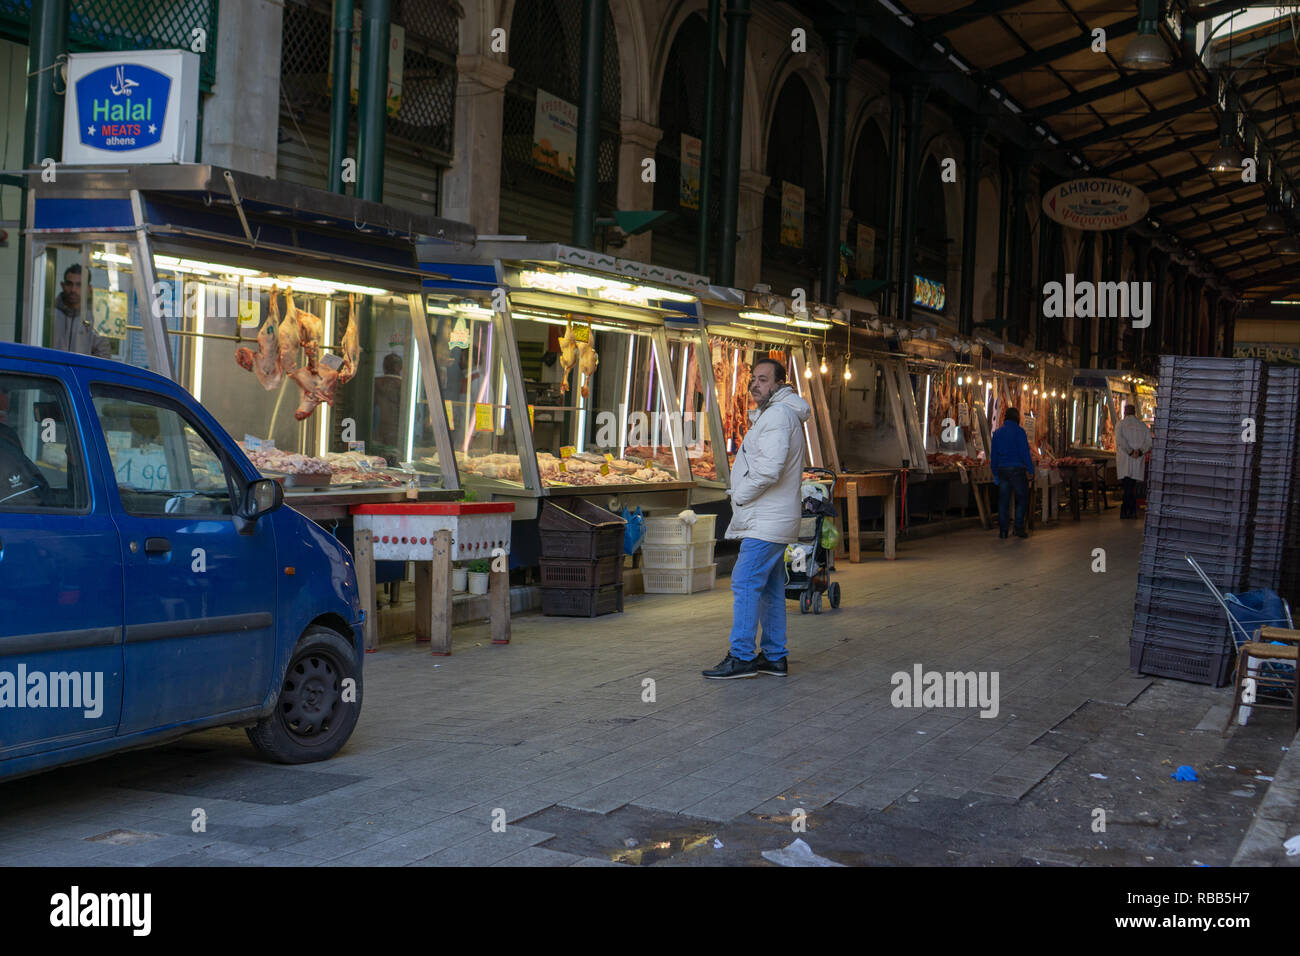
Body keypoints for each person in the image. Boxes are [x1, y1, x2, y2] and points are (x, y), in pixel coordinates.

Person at [703, 357, 810, 680]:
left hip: (767, 518)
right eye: (754, 378)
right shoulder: (780, 413)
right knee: (771, 587)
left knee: (745, 580)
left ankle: (742, 656)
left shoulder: (778, 416)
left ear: (779, 384)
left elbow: (769, 470)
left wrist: (740, 494)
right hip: (773, 517)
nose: (755, 384)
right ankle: (775, 656)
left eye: (763, 379)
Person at [49, 264, 111, 359]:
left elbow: (103, 356)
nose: (73, 290)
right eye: (70, 284)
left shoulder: (96, 320)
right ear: (63, 285)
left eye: (79, 285)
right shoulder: (49, 314)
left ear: (89, 289)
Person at [990, 406, 1034, 539]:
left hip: (1002, 470)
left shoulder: (997, 433)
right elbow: (1025, 452)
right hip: (1017, 471)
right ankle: (1018, 528)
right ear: (1017, 419)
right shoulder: (1020, 432)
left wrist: (995, 473)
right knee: (1022, 499)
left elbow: (994, 456)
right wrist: (1031, 469)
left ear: (1005, 418)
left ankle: (1003, 531)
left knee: (1003, 501)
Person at [1116, 403, 1152, 519]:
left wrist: (1130, 451)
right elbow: (1149, 442)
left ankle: (1126, 510)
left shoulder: (1120, 425)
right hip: (1137, 460)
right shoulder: (1142, 426)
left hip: (1125, 459)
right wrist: (1140, 451)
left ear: (1125, 412)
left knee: (1127, 486)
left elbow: (1120, 440)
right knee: (1131, 486)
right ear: (1135, 412)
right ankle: (1130, 510)